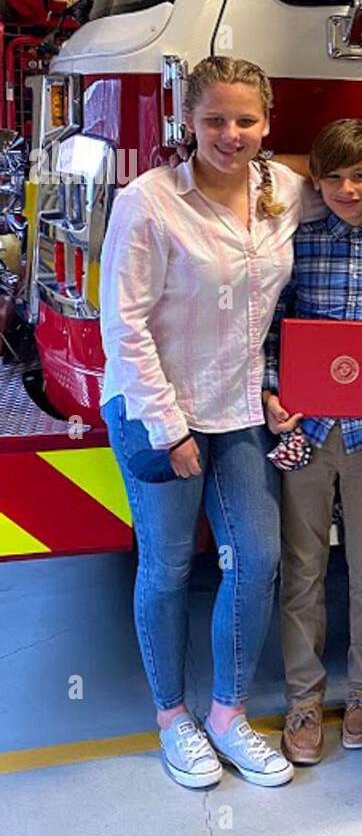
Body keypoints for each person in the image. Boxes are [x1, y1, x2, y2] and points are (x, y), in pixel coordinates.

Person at [99, 56, 309, 790]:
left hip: (241, 407)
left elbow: (360, 180)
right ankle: (170, 717)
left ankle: (227, 714)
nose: (230, 133)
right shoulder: (149, 202)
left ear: (267, 122)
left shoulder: (286, 190)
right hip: (157, 407)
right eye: (215, 119)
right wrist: (168, 428)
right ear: (188, 122)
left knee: (257, 560)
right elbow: (121, 326)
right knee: (166, 566)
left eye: (245, 120)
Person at [261, 120, 362, 765]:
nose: (348, 189)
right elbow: (272, 324)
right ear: (316, 182)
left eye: (361, 175)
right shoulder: (297, 242)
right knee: (302, 566)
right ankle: (303, 699)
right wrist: (272, 393)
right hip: (305, 427)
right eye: (333, 178)